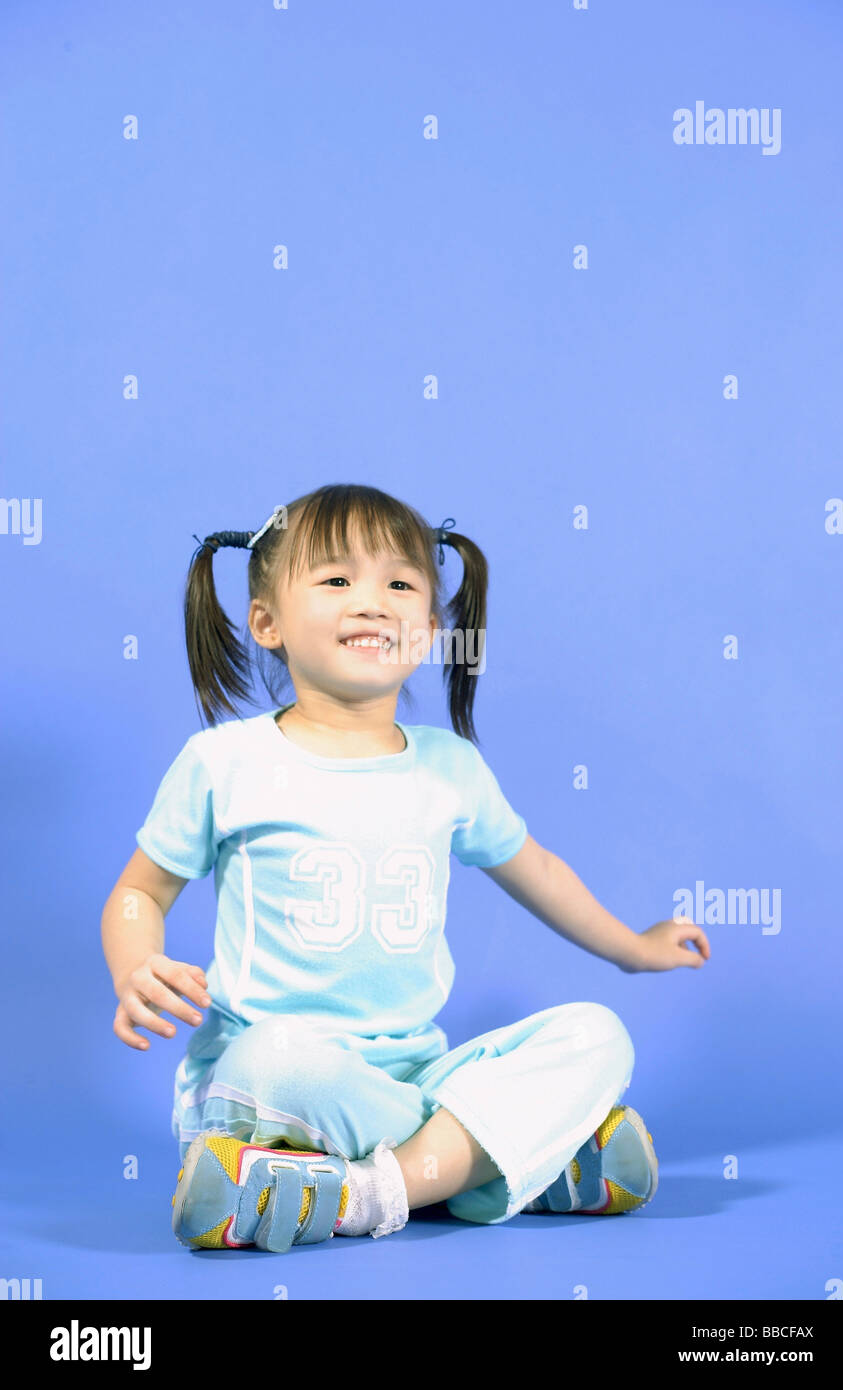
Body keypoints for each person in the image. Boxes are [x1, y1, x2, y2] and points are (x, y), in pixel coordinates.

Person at [100, 482, 710, 1253]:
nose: (371, 601)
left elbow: (542, 871)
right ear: (267, 623)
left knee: (597, 1036)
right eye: (335, 580)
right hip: (275, 1081)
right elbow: (137, 892)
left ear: (426, 631)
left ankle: (354, 1192)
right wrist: (136, 963)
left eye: (398, 583)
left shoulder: (447, 768)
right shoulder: (225, 762)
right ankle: (489, 1162)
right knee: (280, 1058)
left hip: (413, 1081)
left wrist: (635, 948)